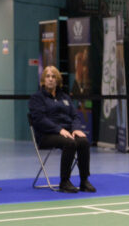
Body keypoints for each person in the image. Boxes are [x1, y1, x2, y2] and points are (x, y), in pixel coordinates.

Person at [28, 65, 96, 193]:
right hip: (46, 135)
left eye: (54, 77)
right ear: (43, 80)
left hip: (67, 132)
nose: (51, 79)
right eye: (48, 76)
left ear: (58, 80)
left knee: (83, 141)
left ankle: (84, 181)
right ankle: (64, 181)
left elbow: (75, 115)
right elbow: (40, 120)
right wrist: (59, 130)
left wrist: (75, 128)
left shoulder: (65, 97)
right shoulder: (37, 98)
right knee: (69, 143)